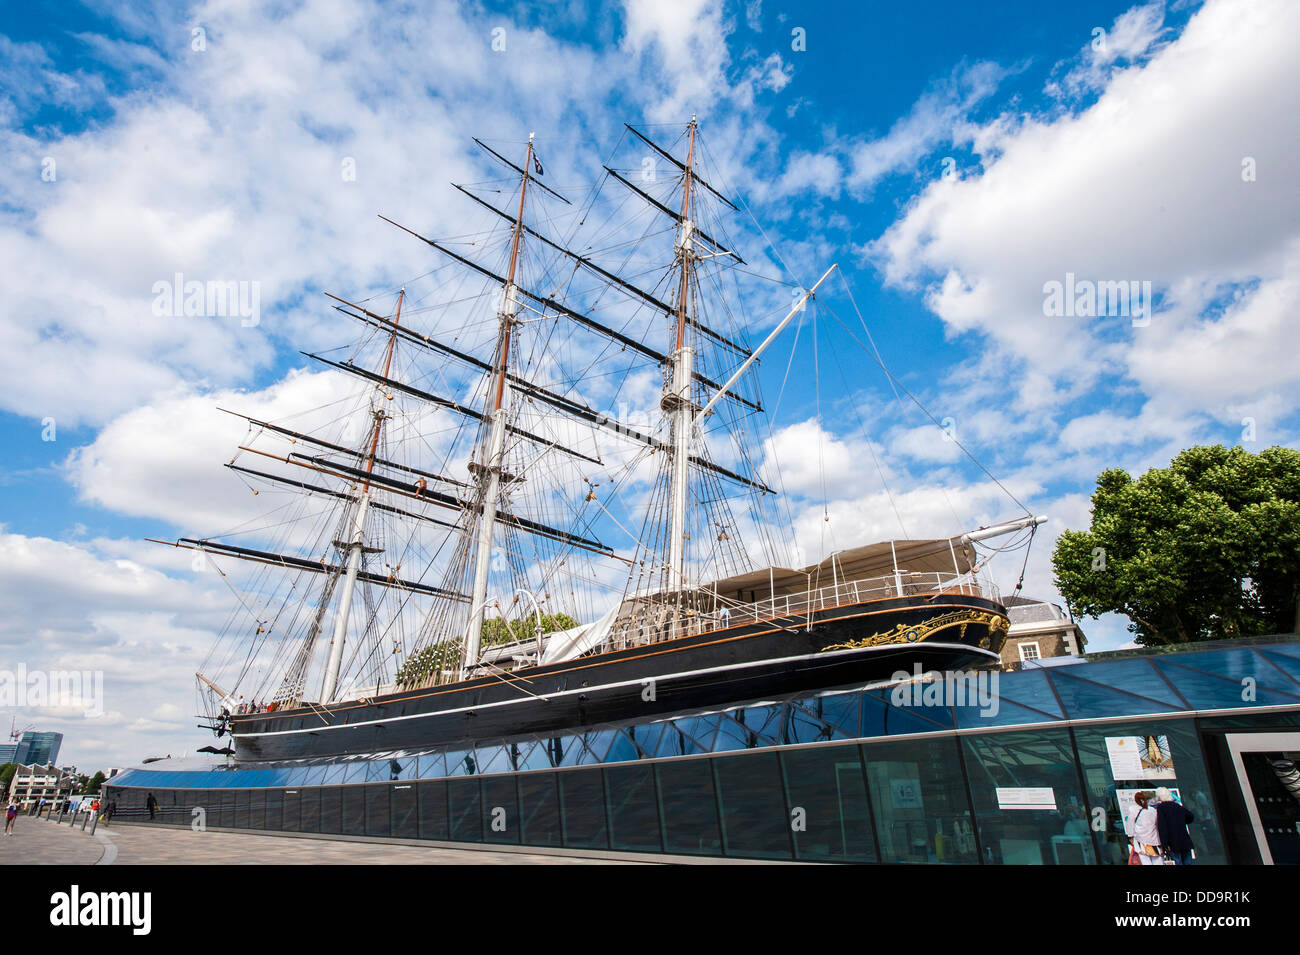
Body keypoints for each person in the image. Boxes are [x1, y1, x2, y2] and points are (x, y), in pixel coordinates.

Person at [1154, 786, 1196, 865]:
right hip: (1184, 840)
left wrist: (1164, 844)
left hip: (1172, 842)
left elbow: (1162, 827)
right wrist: (1181, 821)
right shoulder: (1177, 806)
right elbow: (1190, 816)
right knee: (1188, 862)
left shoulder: (1161, 808)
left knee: (1177, 862)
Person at [1124, 791, 1163, 864]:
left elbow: (1130, 825)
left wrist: (1130, 836)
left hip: (1141, 841)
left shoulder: (1133, 809)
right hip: (1155, 840)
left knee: (1145, 861)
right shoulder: (1153, 811)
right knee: (1158, 861)